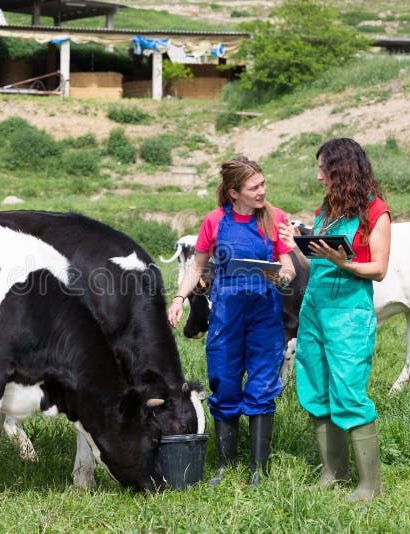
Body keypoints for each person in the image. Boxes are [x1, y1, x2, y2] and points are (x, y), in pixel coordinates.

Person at [167, 156, 295, 487]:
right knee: (224, 383)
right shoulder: (215, 221)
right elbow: (196, 267)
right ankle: (225, 465)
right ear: (234, 192)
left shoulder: (275, 219)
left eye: (264, 184)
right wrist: (179, 299)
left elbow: (288, 266)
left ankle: (258, 469)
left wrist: (283, 277)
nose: (262, 191)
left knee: (262, 384)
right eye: (255, 187)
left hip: (265, 314)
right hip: (225, 316)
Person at [279, 137, 391, 502]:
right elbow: (319, 266)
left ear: (342, 170)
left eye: (323, 170)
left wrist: (345, 262)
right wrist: (300, 245)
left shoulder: (376, 212)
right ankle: (334, 473)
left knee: (347, 390)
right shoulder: (326, 210)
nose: (318, 177)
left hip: (349, 313)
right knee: (315, 386)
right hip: (314, 309)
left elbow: (379, 269)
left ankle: (370, 485)